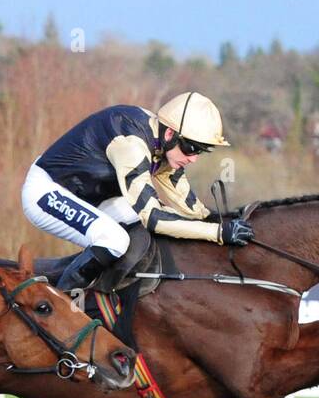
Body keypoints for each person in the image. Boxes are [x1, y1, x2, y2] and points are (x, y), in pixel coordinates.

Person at [20, 91, 255, 292]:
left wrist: (218, 219)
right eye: (190, 148)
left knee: (144, 234)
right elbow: (154, 219)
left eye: (200, 152)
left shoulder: (162, 142)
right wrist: (218, 232)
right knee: (115, 240)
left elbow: (187, 206)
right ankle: (57, 307)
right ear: (170, 134)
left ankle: (110, 298)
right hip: (47, 190)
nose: (193, 158)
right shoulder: (131, 145)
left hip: (95, 197)